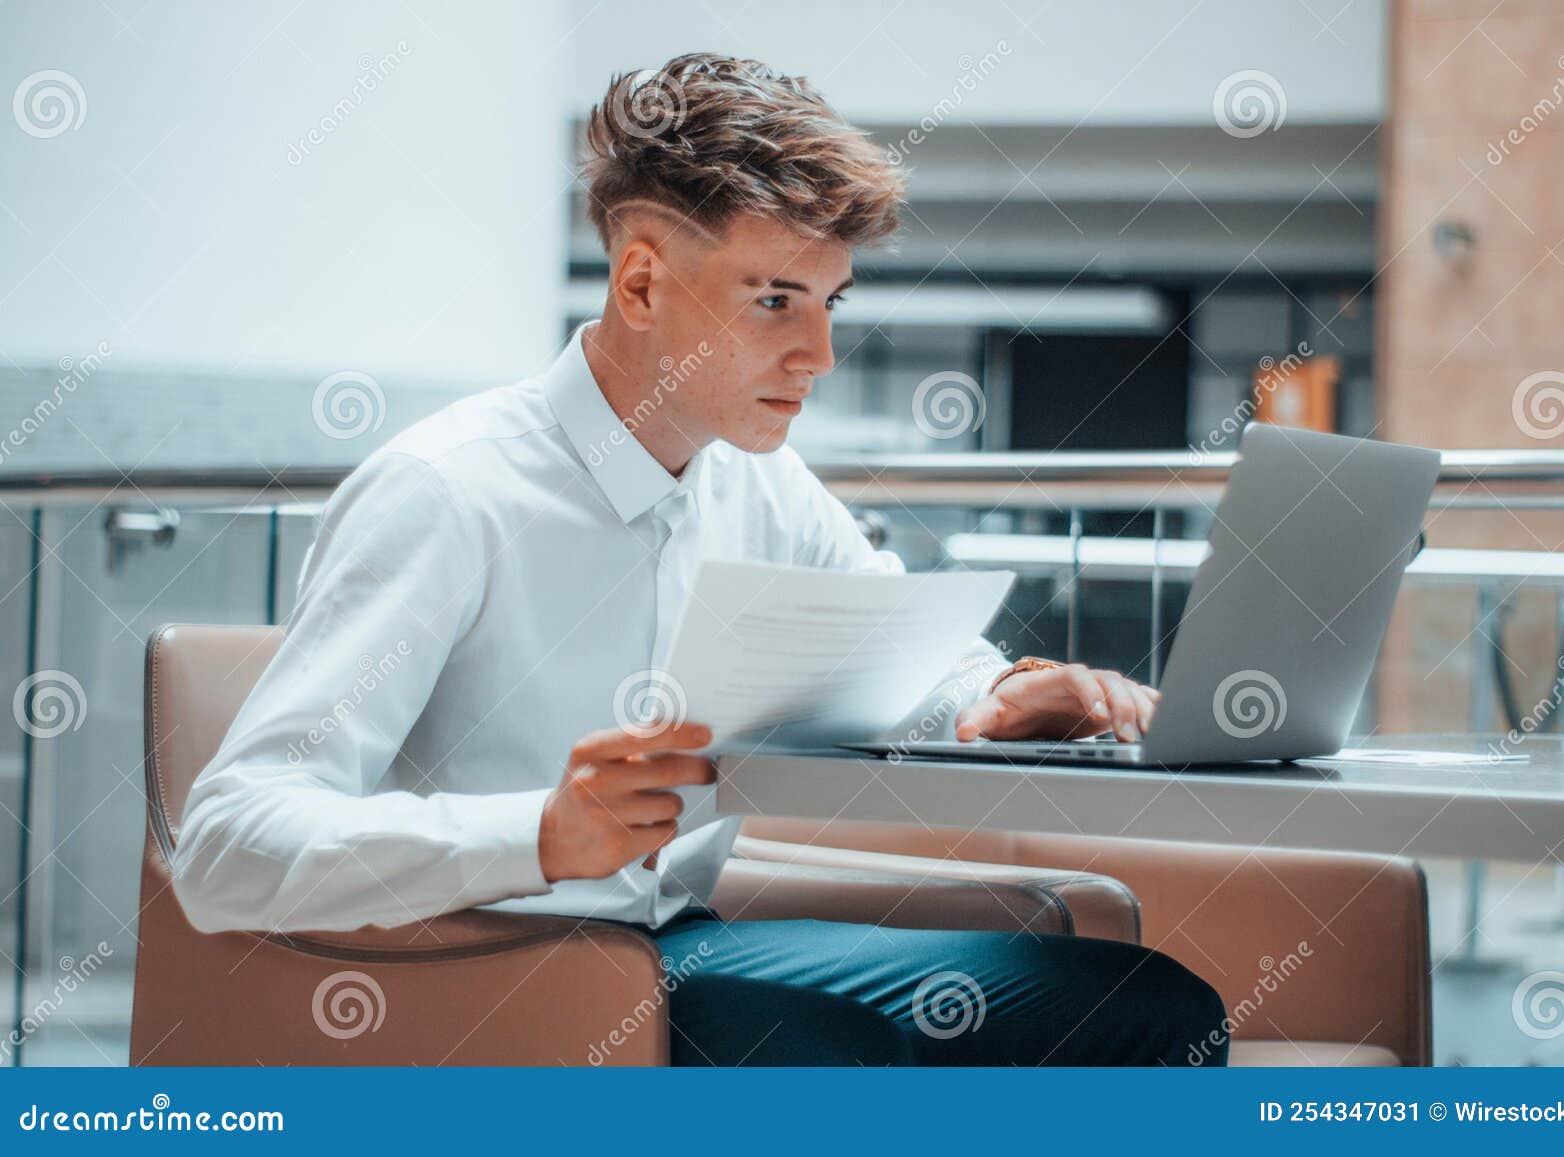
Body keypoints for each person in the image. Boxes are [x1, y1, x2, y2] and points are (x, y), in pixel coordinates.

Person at [171, 52, 1225, 1067]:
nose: (816, 354)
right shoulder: (448, 492)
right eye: (773, 299)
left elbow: (894, 651)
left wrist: (995, 693)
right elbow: (225, 848)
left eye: (829, 301)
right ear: (640, 286)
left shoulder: (754, 479)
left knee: (1155, 1010)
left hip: (688, 945)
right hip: (498, 968)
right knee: (823, 1052)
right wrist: (538, 831)